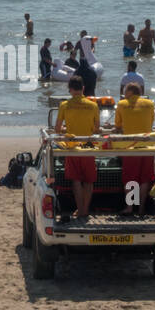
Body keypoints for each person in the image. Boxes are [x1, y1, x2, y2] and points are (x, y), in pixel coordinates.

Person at [55, 77, 99, 222]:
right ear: (83, 88)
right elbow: (97, 129)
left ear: (70, 89)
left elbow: (57, 129)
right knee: (88, 181)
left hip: (72, 145)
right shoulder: (93, 105)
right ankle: (84, 211)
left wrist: (65, 130)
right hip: (88, 145)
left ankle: (80, 209)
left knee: (76, 180)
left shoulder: (64, 105)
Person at [114, 84, 155, 215]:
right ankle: (141, 208)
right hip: (146, 145)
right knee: (144, 179)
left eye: (125, 91)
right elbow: (151, 121)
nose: (124, 94)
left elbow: (118, 125)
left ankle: (130, 207)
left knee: (130, 179)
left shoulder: (122, 104)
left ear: (130, 92)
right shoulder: (150, 103)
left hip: (131, 146)